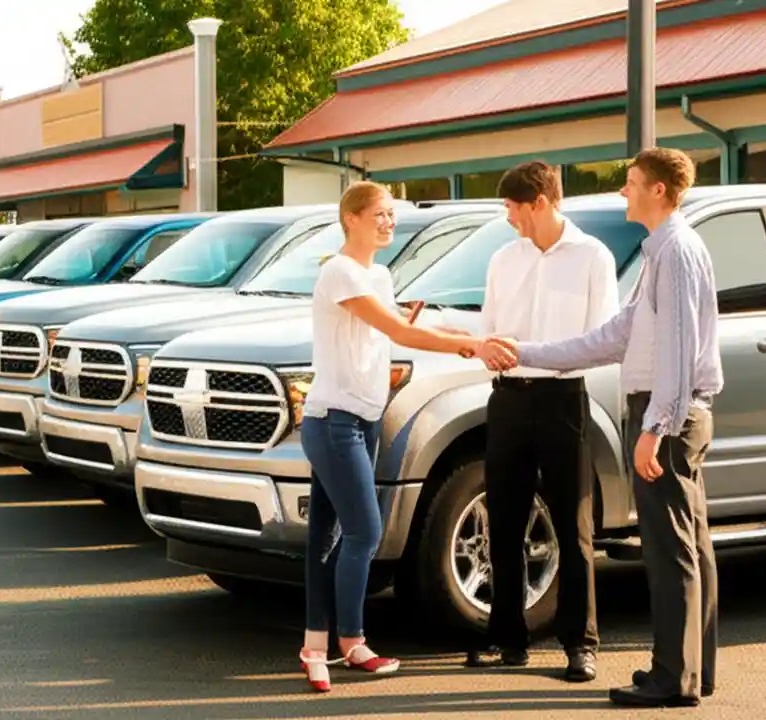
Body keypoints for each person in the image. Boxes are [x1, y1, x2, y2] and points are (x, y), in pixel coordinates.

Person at [481, 147, 722, 708]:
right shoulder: (660, 251)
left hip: (670, 416)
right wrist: (528, 351)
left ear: (658, 190)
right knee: (690, 546)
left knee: (671, 551)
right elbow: (612, 337)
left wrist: (655, 427)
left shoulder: (677, 251)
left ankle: (674, 678)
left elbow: (678, 352)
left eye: (632, 182)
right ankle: (692, 671)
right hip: (668, 412)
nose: (623, 191)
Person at [298, 180, 503, 693]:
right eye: (381, 214)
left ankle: (313, 647)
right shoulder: (338, 272)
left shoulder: (380, 275)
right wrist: (471, 345)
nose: (390, 221)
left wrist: (453, 333)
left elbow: (386, 334)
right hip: (332, 421)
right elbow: (400, 333)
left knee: (326, 537)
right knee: (365, 532)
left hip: (364, 417)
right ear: (352, 219)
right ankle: (353, 642)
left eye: (392, 214)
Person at [467, 161, 618, 683]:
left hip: (562, 400)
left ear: (539, 202)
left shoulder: (593, 257)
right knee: (502, 522)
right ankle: (506, 638)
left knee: (573, 524)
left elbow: (602, 340)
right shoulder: (503, 260)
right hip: (506, 400)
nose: (507, 217)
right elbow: (487, 327)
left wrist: (540, 353)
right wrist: (487, 351)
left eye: (511, 207)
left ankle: (580, 643)